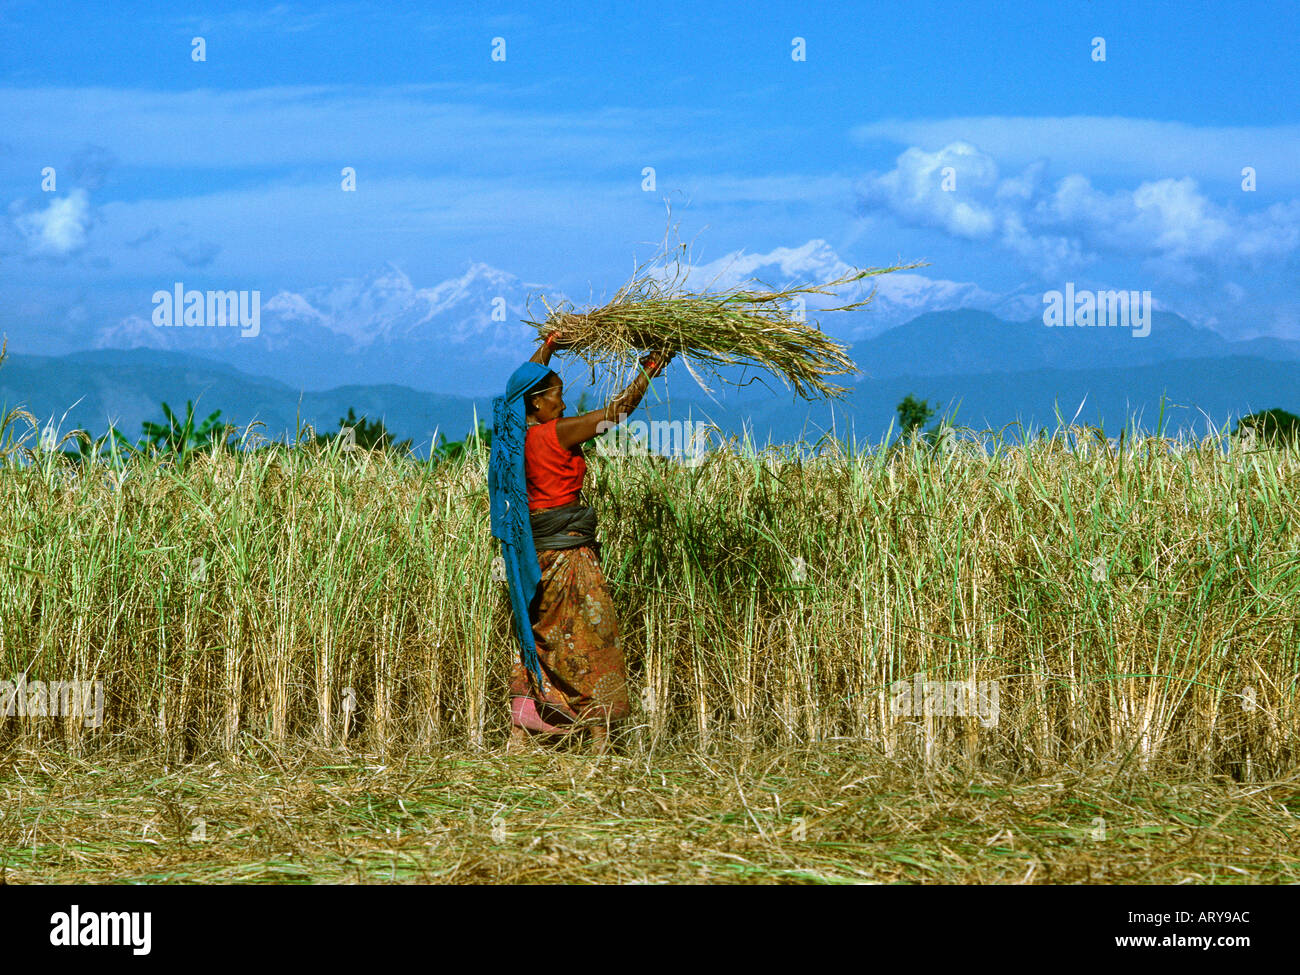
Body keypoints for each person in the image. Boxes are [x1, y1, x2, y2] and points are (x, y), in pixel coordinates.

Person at [488, 331, 673, 752]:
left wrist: (550, 344)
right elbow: (618, 413)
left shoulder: (511, 437)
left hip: (531, 557)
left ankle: (521, 731)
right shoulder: (559, 433)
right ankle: (598, 735)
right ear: (537, 403)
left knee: (535, 634)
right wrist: (649, 371)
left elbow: (520, 383)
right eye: (556, 395)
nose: (564, 403)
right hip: (569, 555)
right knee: (592, 633)